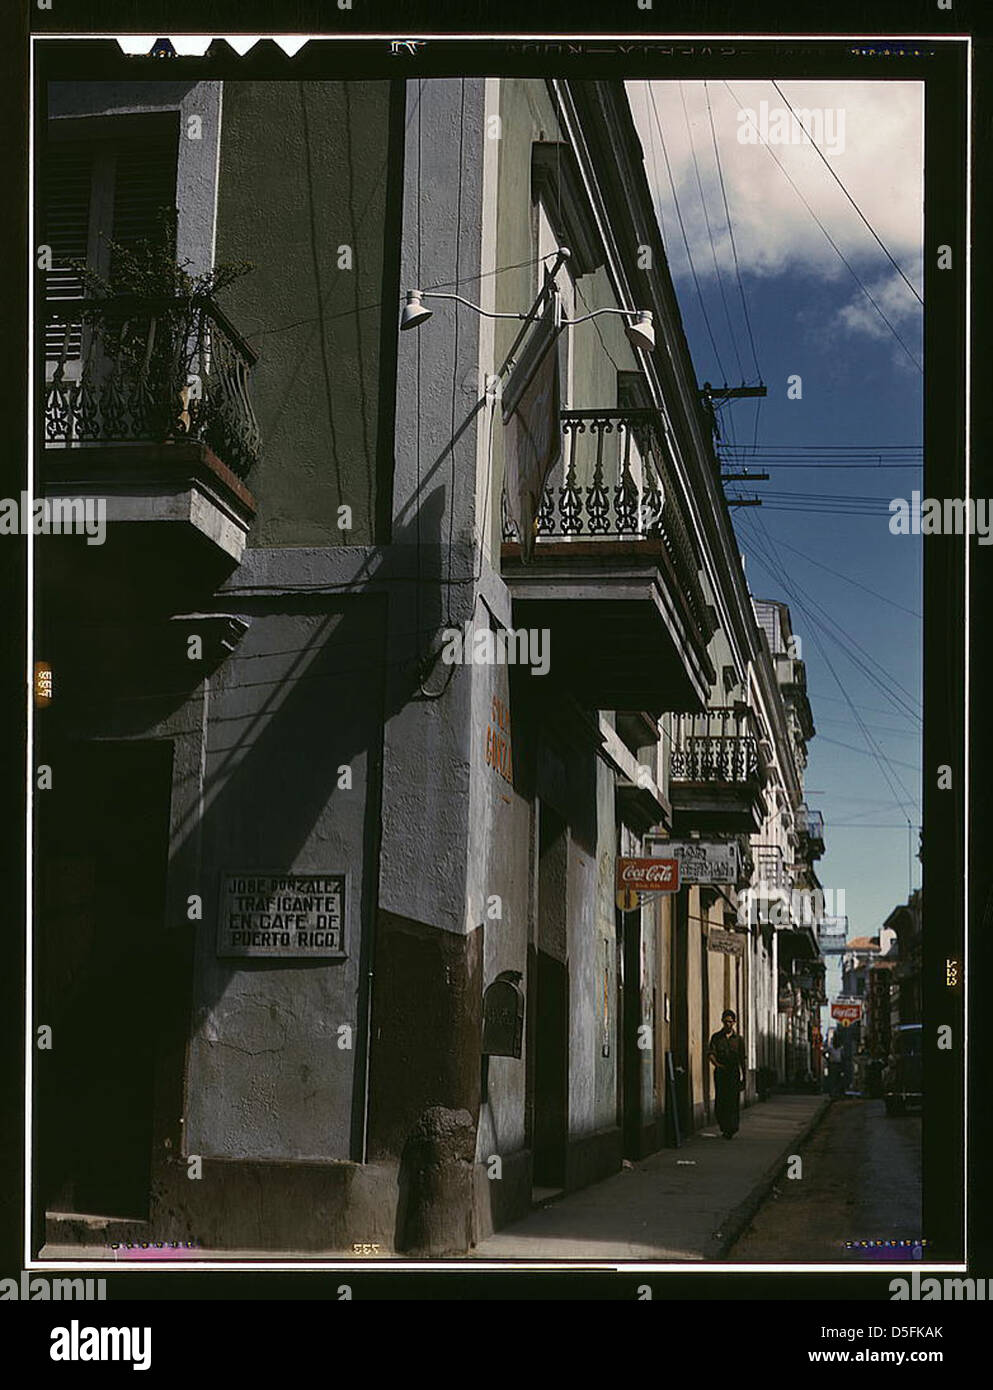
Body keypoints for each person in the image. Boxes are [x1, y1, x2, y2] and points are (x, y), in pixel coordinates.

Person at [708, 1009, 747, 1139]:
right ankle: (724, 1127)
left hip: (733, 1073)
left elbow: (742, 1059)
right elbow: (711, 1054)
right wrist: (718, 1065)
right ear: (722, 1022)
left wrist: (744, 1078)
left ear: (734, 1023)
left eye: (730, 1022)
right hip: (721, 1073)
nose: (727, 1024)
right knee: (721, 1101)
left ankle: (732, 1127)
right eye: (725, 1022)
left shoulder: (739, 1040)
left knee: (733, 1102)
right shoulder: (716, 1037)